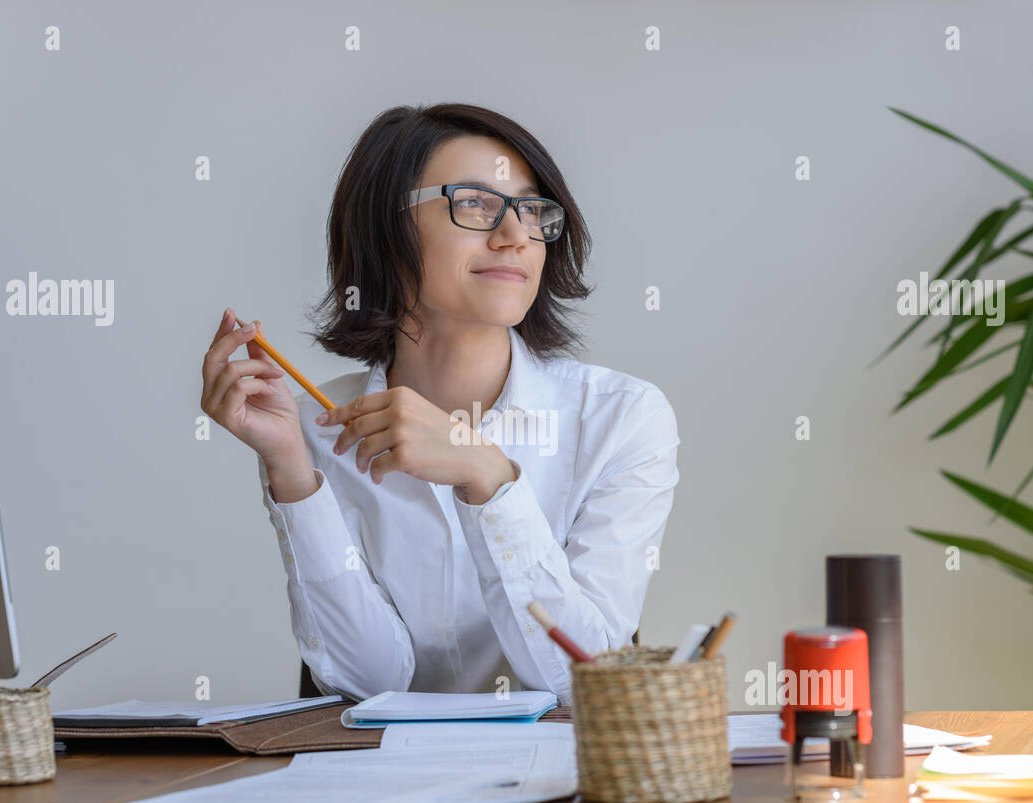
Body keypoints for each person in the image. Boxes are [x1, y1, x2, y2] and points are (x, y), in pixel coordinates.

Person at [200, 103, 679, 705]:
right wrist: (294, 475)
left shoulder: (621, 419)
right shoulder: (310, 428)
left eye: (532, 210)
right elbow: (369, 685)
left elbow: (582, 680)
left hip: (568, 790)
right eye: (475, 203)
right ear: (385, 231)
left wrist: (489, 476)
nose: (514, 237)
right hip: (381, 793)